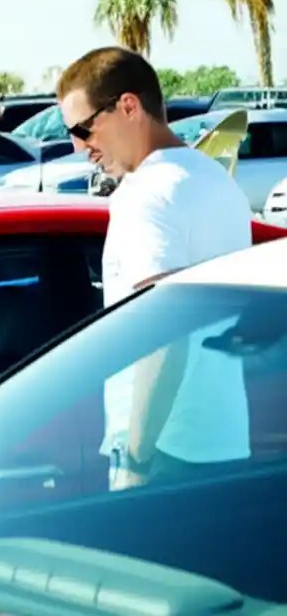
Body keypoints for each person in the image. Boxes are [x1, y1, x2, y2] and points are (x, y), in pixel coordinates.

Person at [56, 45, 253, 489]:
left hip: (165, 454)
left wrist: (137, 459)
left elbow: (165, 336)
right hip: (223, 442)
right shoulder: (215, 180)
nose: (77, 146)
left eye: (83, 129)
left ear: (128, 106)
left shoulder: (143, 194)